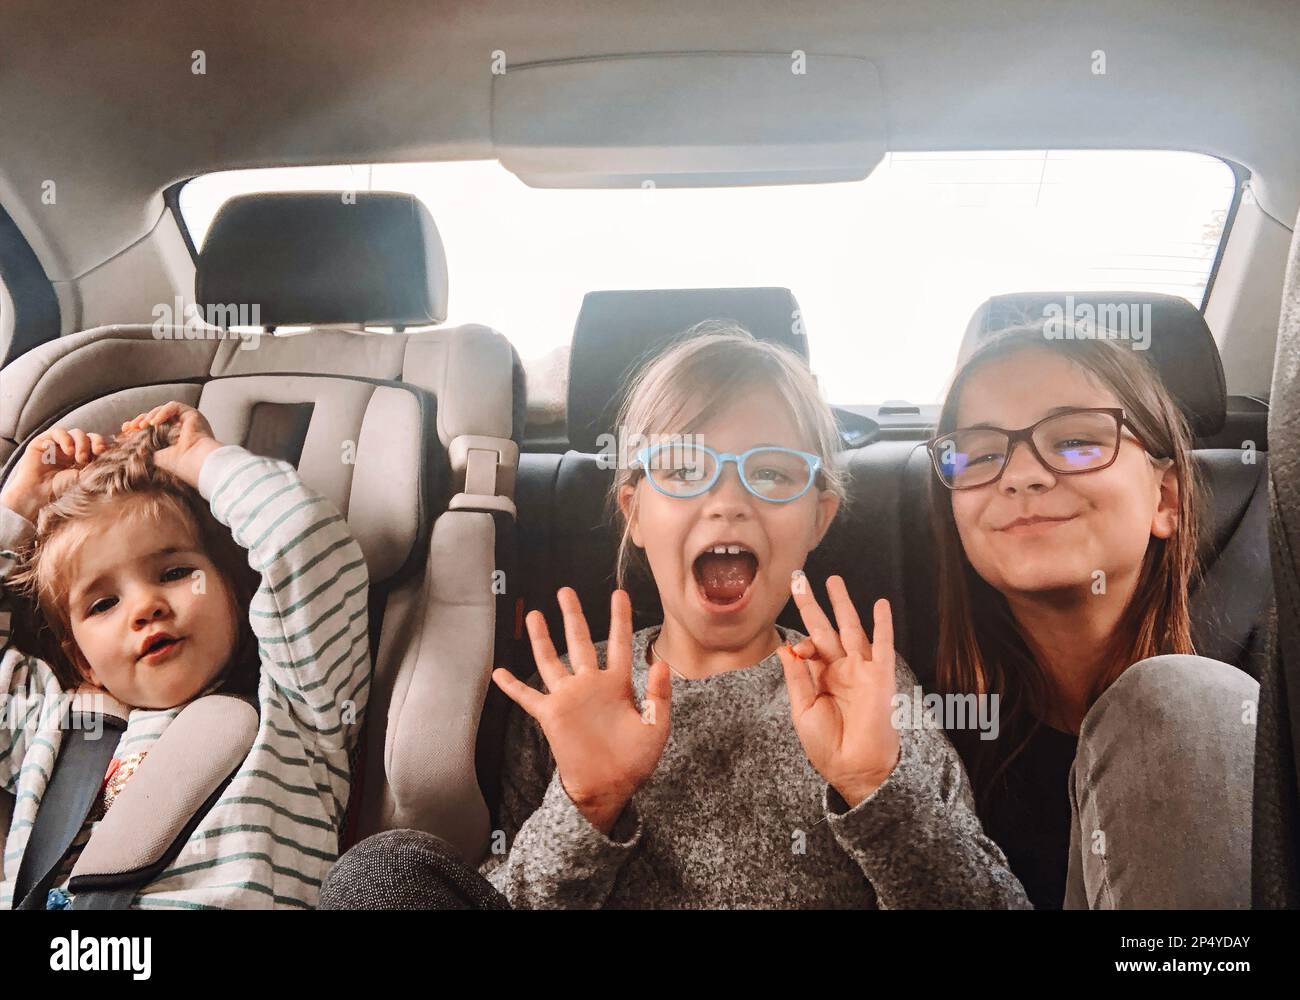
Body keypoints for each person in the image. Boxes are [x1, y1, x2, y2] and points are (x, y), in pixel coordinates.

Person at [321, 326, 1029, 909]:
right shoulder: (579, 693)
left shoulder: (866, 687)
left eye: (773, 472)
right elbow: (518, 900)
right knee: (384, 872)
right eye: (685, 469)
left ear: (819, 519)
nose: (729, 500)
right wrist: (586, 804)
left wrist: (877, 787)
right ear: (635, 513)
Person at [927, 321, 1258, 909]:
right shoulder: (925, 732)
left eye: (1076, 442)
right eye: (980, 454)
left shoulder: (1264, 689)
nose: (1022, 475)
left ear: (1167, 499)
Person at [0, 401, 370, 908]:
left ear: (235, 594)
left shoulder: (295, 707)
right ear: (82, 658)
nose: (145, 607)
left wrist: (202, 459)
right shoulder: (50, 725)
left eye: (174, 573)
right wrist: (16, 509)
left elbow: (301, 539)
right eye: (104, 603)